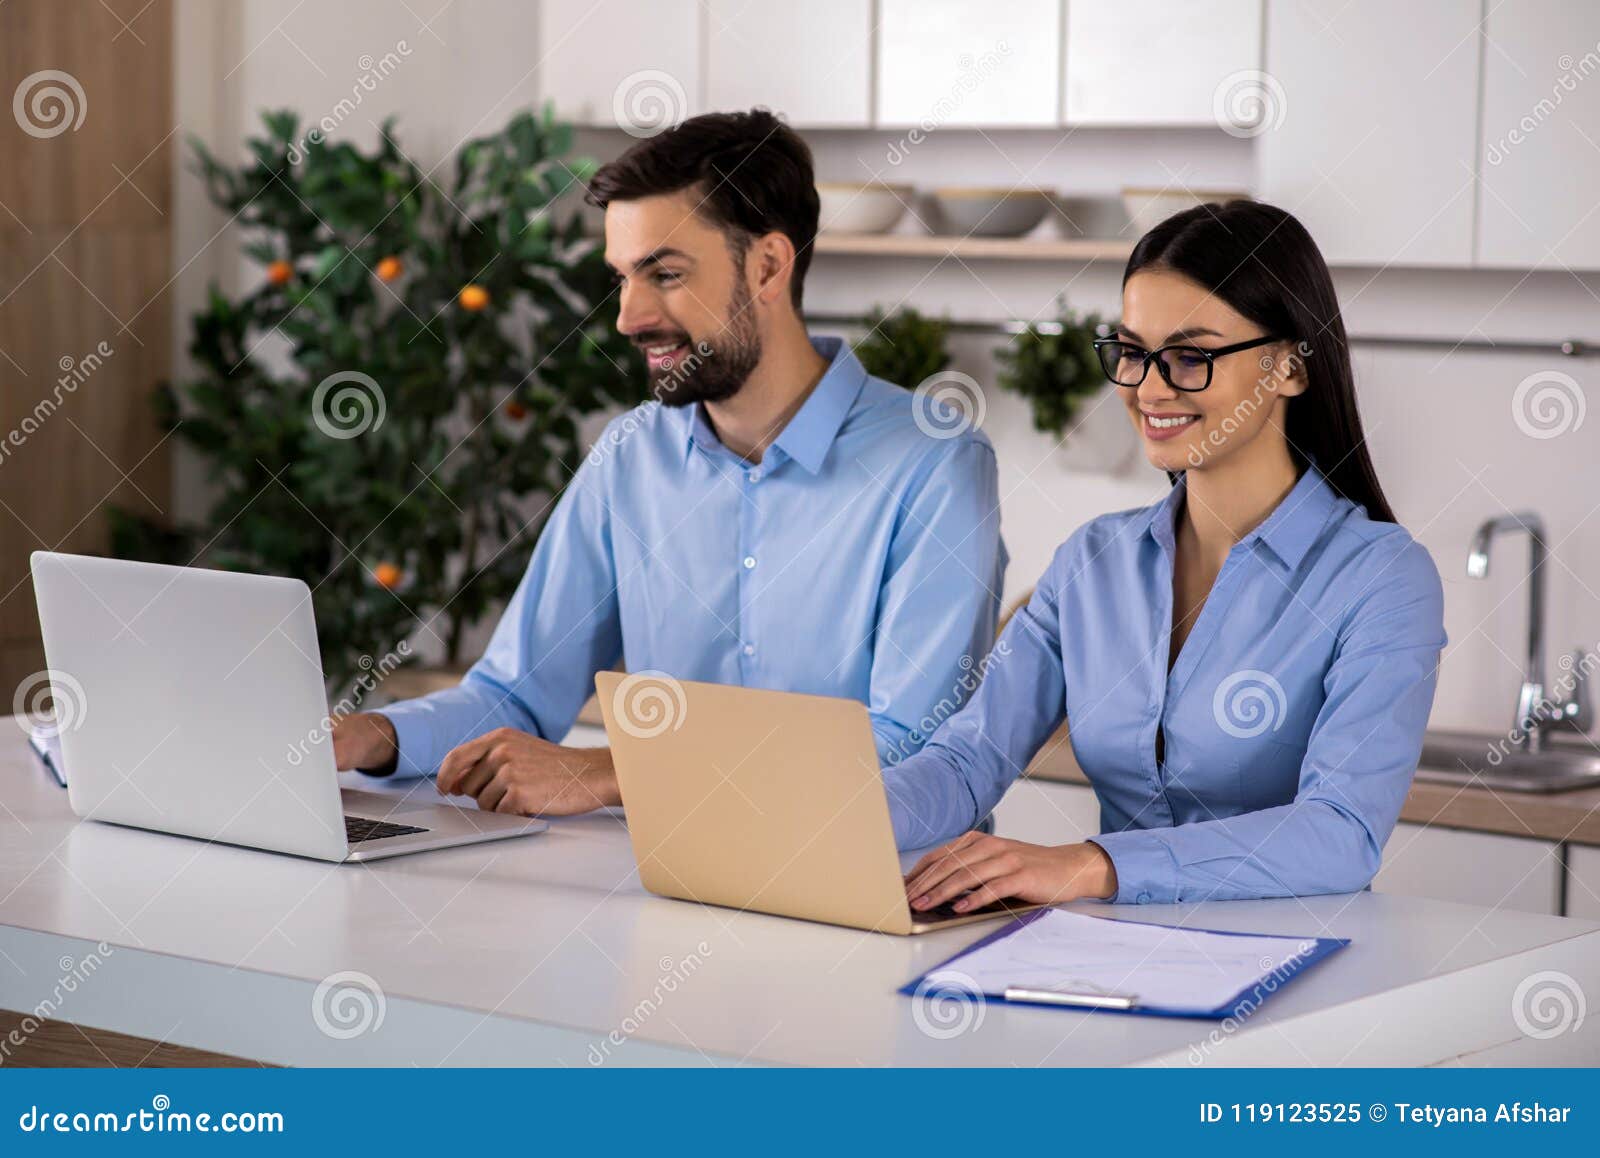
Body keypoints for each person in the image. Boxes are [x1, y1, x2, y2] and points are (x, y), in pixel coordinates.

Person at [332, 109, 1006, 815]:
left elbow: (907, 748)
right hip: (671, 887)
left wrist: (616, 772)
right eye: (623, 277)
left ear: (769, 265)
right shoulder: (630, 456)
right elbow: (515, 696)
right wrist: (371, 736)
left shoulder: (935, 465)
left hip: (875, 896)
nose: (628, 316)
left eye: (665, 274)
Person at [894, 200, 1446, 911]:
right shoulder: (1093, 563)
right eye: (1131, 351)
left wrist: (1092, 867)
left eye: (1190, 356)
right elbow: (968, 760)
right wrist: (836, 816)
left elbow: (1339, 833)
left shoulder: (1381, 578)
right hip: (1109, 968)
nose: (1149, 387)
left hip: (1295, 974)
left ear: (1290, 368)